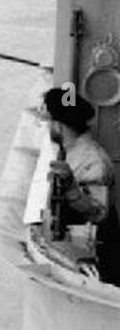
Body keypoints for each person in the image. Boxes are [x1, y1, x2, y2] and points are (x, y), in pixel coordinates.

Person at [44, 86, 114, 233]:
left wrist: (70, 187)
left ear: (57, 126)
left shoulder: (94, 162)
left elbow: (98, 213)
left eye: (46, 121)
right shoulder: (66, 152)